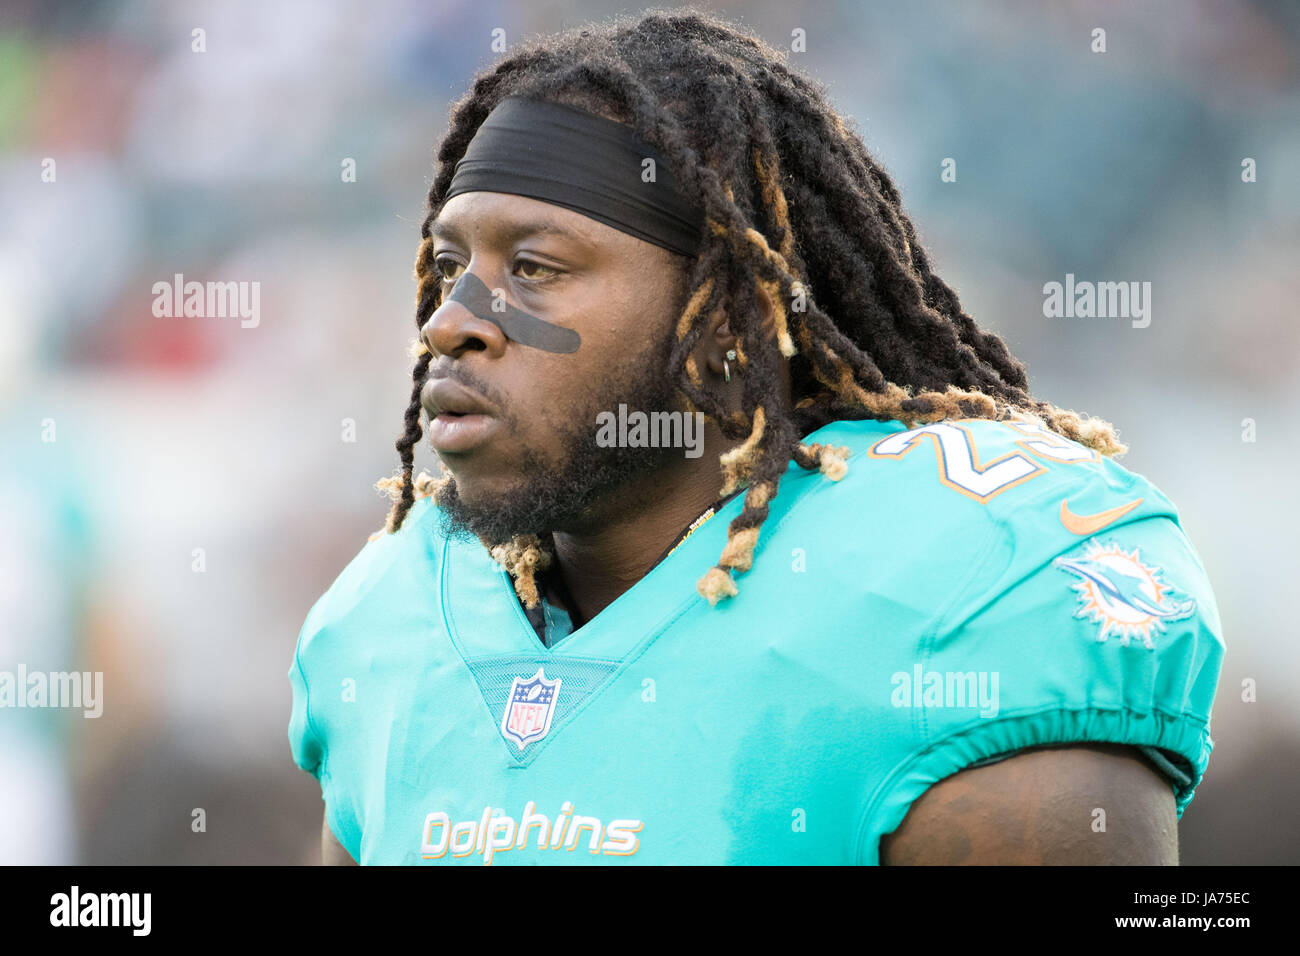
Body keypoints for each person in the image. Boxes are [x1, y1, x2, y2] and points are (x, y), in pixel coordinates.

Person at [288, 9, 1224, 865]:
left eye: (534, 268)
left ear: (722, 320)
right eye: (451, 264)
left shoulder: (962, 596)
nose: (450, 321)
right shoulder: (389, 620)